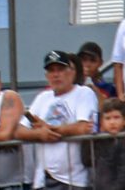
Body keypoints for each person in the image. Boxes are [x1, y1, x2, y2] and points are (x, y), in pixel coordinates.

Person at [21, 52, 103, 190]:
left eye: (60, 69)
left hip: (75, 181)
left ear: (71, 73)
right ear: (47, 76)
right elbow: (19, 130)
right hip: (43, 179)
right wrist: (39, 134)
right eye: (51, 71)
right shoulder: (42, 98)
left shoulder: (83, 93)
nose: (56, 75)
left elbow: (84, 128)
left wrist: (48, 128)